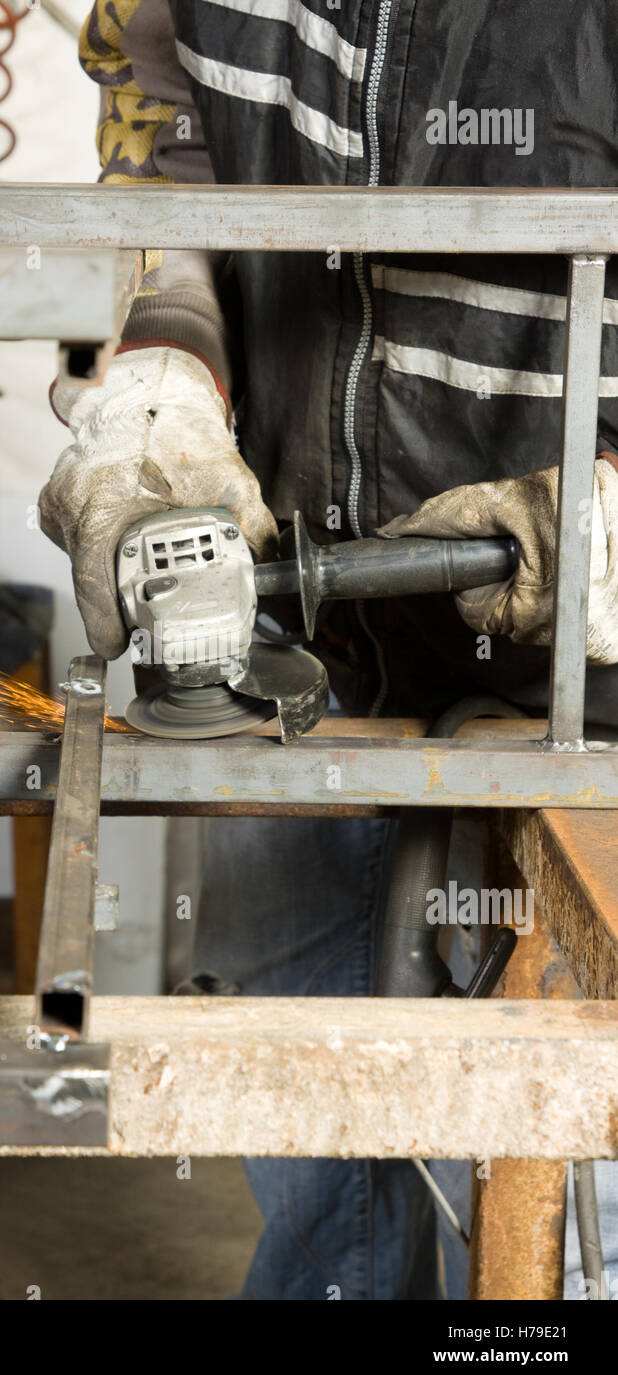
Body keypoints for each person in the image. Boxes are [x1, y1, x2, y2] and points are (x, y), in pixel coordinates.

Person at [39, 0, 618, 1299]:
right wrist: (158, 371)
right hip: (300, 617)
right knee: (305, 1130)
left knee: (584, 1162)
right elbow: (166, 142)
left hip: (595, 621)